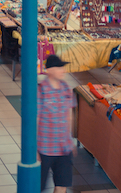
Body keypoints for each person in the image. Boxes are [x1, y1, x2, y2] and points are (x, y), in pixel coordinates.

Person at [38, 54, 76, 193]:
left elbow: (69, 115)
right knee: (38, 186)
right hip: (45, 148)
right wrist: (34, 149)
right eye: (59, 67)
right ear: (50, 70)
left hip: (63, 148)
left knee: (62, 185)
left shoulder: (67, 89)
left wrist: (70, 140)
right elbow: (35, 120)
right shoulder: (40, 90)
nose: (63, 70)